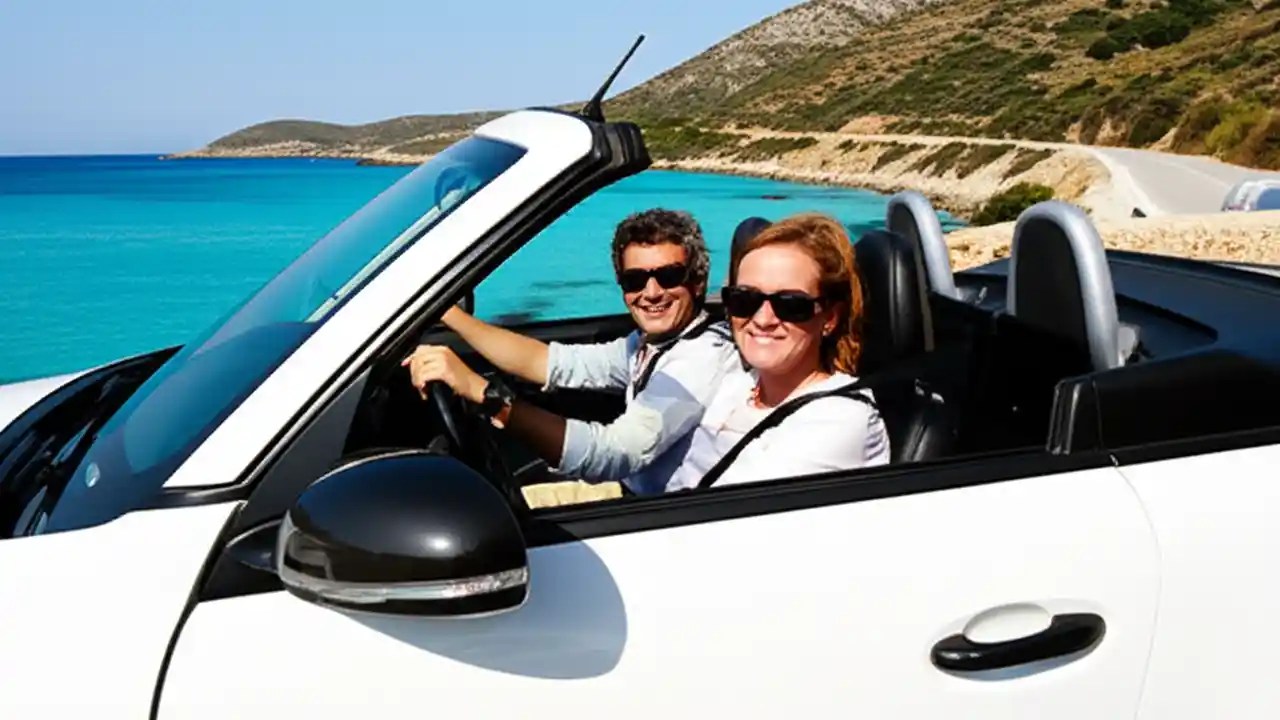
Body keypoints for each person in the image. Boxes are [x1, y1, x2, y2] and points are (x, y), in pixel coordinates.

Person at [402, 208, 740, 506]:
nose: (651, 293)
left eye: (668, 276)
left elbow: (615, 453)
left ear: (698, 282)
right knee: (488, 506)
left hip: (656, 513)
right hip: (630, 494)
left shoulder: (698, 359)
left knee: (488, 518)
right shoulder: (651, 343)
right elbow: (546, 361)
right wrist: (444, 310)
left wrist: (483, 394)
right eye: (635, 280)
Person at [667, 212, 891, 490]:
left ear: (830, 318)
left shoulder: (841, 419)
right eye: (744, 299)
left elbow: (735, 516)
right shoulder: (737, 385)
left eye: (790, 304)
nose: (762, 319)